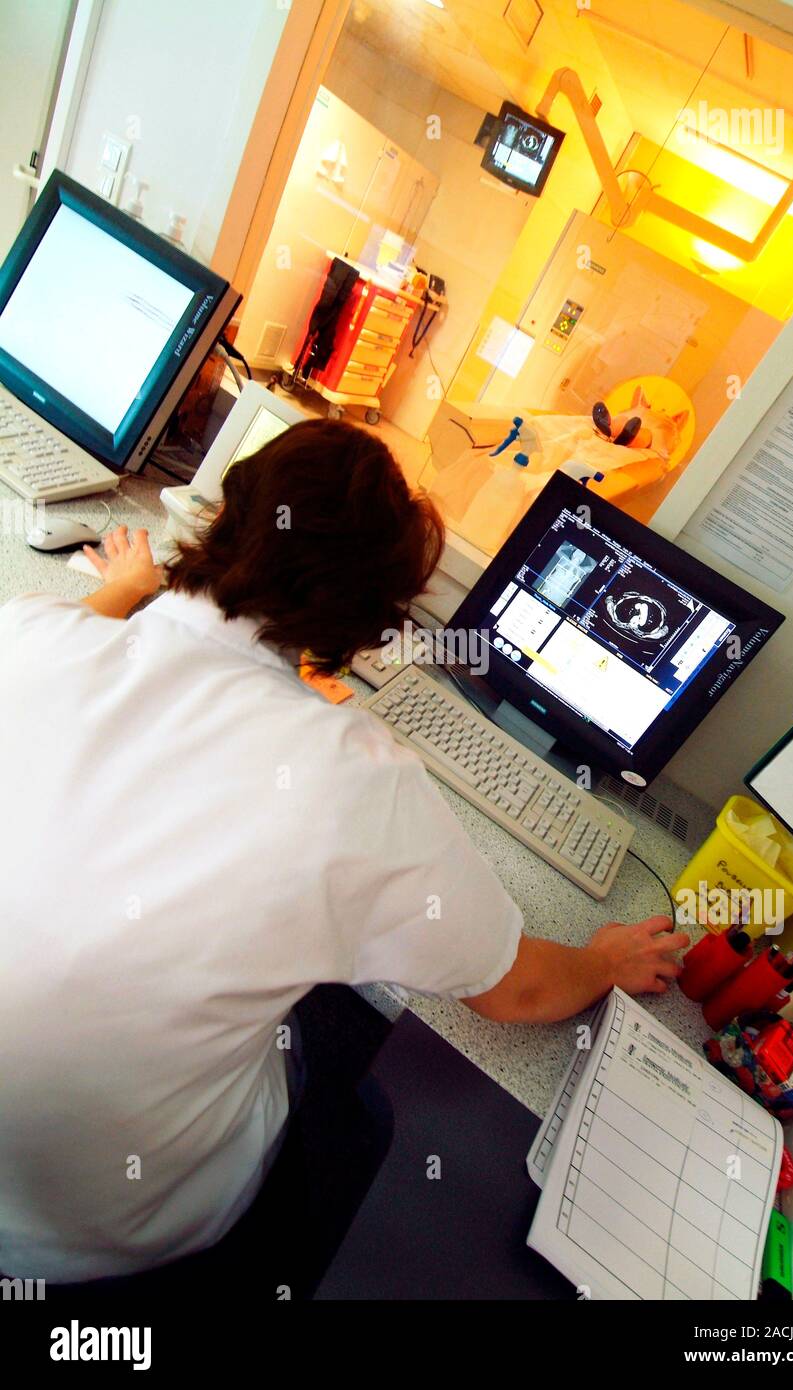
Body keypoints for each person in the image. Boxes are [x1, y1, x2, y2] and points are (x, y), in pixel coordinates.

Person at [0, 418, 687, 1284]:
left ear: (223, 517)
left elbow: (60, 627)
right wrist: (603, 958)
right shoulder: (357, 787)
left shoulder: (27, 639)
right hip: (117, 1233)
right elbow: (517, 992)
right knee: (349, 1067)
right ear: (367, 627)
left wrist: (129, 592)